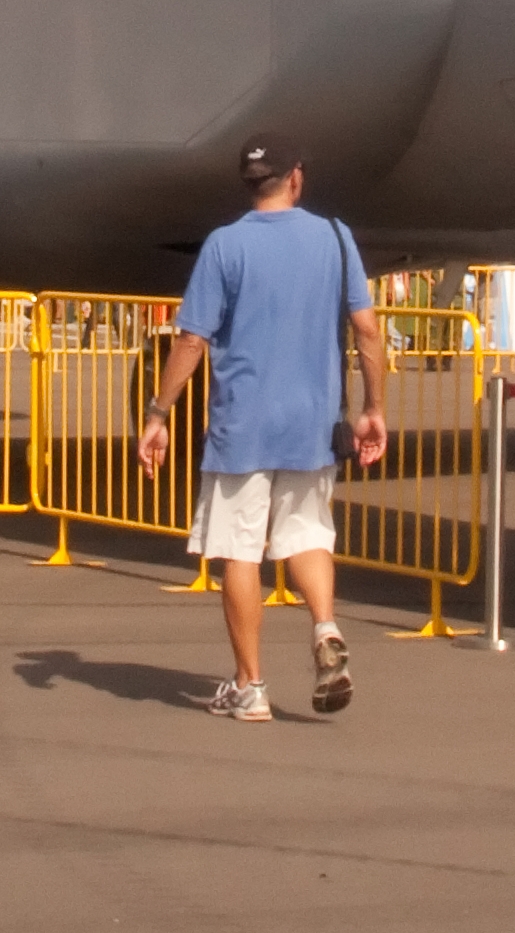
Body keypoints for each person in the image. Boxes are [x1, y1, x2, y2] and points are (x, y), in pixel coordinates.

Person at [138, 141, 391, 723]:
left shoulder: (225, 245)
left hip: (242, 426)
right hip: (312, 421)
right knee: (307, 535)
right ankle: (325, 627)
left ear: (250, 184)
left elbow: (191, 340)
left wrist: (158, 413)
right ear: (295, 177)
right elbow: (368, 331)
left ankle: (251, 686)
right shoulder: (334, 237)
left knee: (239, 553)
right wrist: (373, 407)